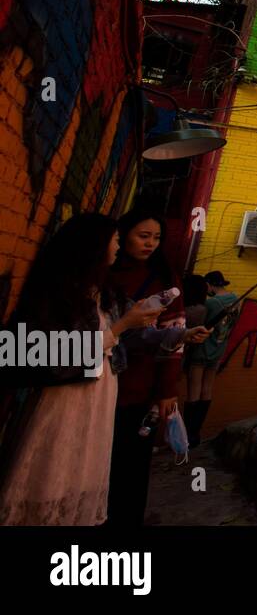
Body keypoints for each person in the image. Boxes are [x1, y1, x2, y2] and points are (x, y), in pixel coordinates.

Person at [0, 214, 162, 525]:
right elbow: (44, 356)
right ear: (94, 246)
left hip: (97, 401)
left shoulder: (104, 292)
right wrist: (121, 327)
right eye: (114, 240)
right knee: (49, 475)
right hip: (65, 402)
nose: (117, 246)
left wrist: (172, 333)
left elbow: (128, 336)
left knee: (79, 474)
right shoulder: (61, 294)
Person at [105, 208, 210, 526]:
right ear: (123, 238)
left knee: (131, 466)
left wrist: (166, 392)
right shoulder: (105, 274)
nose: (150, 244)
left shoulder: (165, 280)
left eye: (156, 238)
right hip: (98, 383)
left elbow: (171, 343)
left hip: (140, 387)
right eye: (143, 236)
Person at [183, 271, 239, 445]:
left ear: (209, 285)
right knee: (207, 390)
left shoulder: (211, 304)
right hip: (219, 349)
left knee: (194, 391)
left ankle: (188, 433)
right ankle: (197, 432)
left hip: (202, 350)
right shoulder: (235, 300)